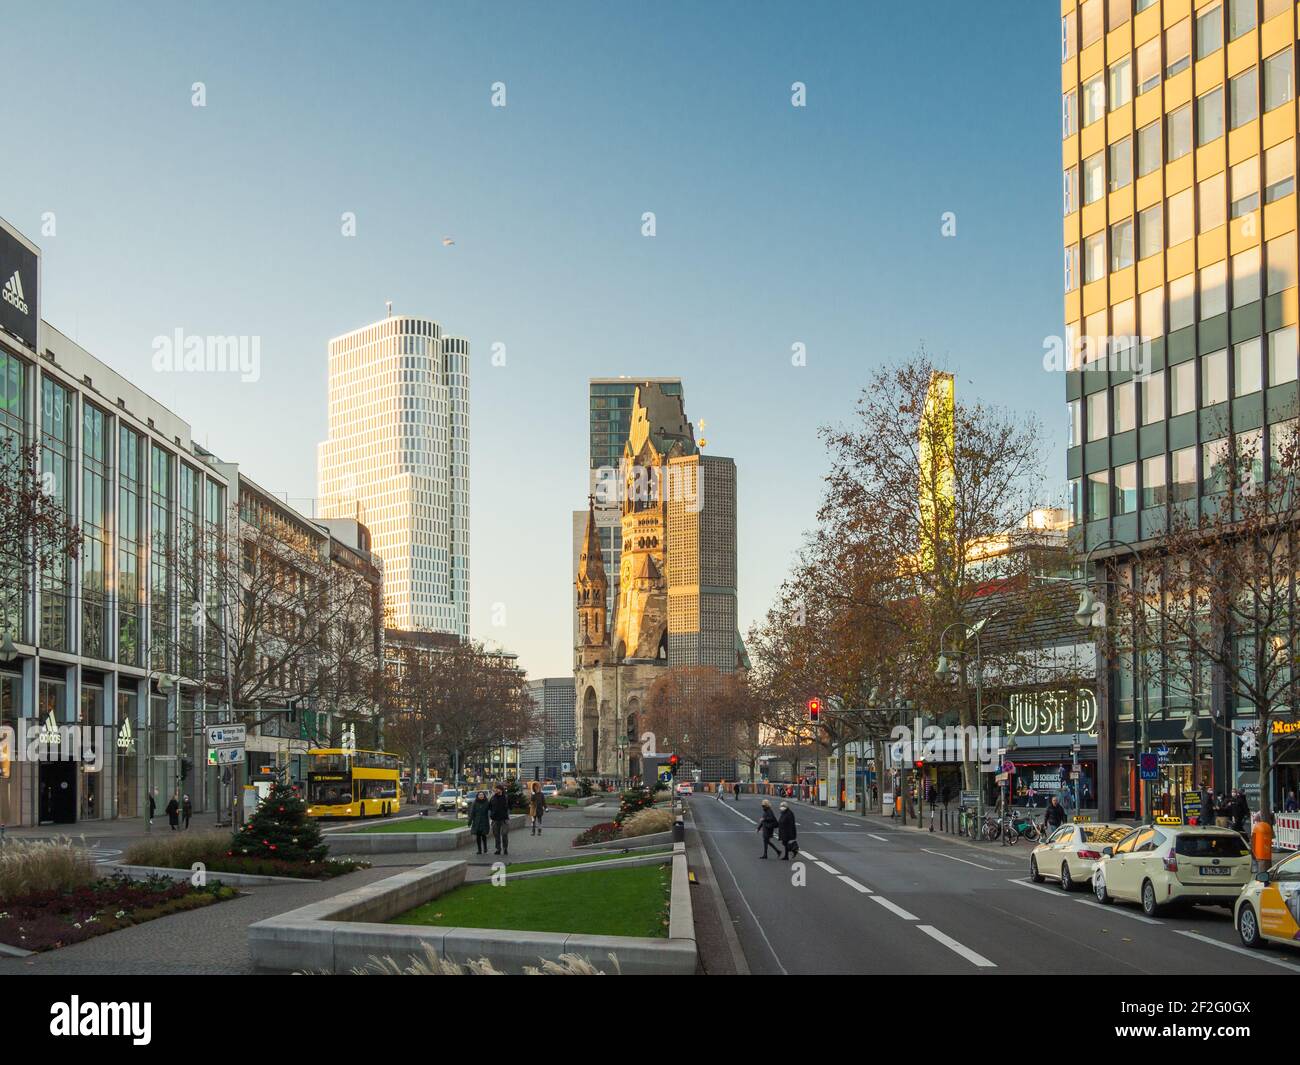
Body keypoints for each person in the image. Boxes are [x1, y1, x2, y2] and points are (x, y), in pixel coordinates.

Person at [488, 783, 511, 855]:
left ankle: (505, 848)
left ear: (501, 790)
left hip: (504, 819)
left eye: (497, 789)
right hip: (495, 819)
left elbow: (510, 806)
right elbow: (490, 807)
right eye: (496, 789)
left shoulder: (506, 797)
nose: (496, 790)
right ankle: (498, 849)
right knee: (496, 835)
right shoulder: (493, 798)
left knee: (504, 834)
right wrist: (491, 815)